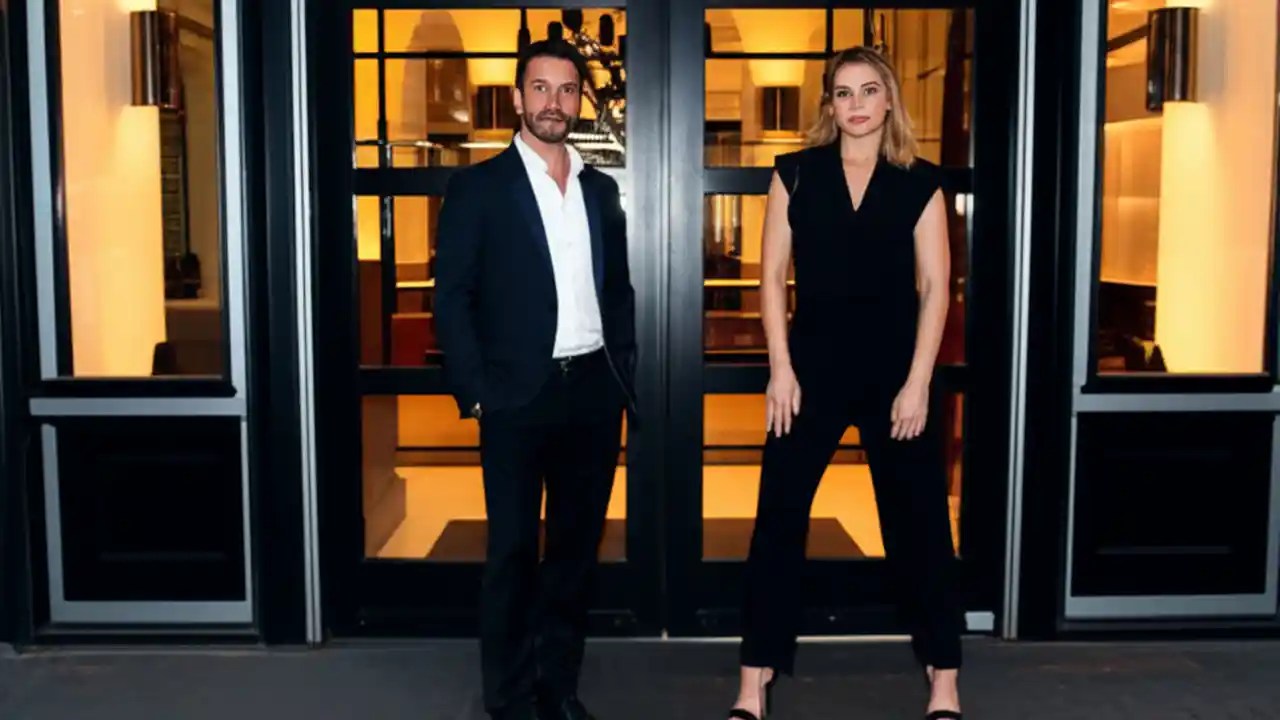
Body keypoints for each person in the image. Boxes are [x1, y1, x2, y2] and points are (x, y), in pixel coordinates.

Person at [723, 46, 963, 720]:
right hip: (811, 371)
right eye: (842, 93)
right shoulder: (795, 175)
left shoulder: (920, 181)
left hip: (896, 375)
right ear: (828, 104)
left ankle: (944, 680)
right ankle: (752, 683)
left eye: (868, 91)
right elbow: (770, 277)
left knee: (919, 527)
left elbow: (937, 287)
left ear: (889, 99)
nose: (855, 105)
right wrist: (780, 369)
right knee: (777, 523)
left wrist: (918, 383)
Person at [435, 37, 638, 720]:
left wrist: (621, 378)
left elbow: (620, 294)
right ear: (518, 98)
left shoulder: (600, 189)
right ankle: (511, 697)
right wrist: (478, 393)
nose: (556, 102)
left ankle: (560, 686)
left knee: (575, 556)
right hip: (515, 398)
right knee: (514, 553)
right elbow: (453, 297)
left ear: (581, 100)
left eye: (568, 89)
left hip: (590, 395)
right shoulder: (478, 187)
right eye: (542, 88)